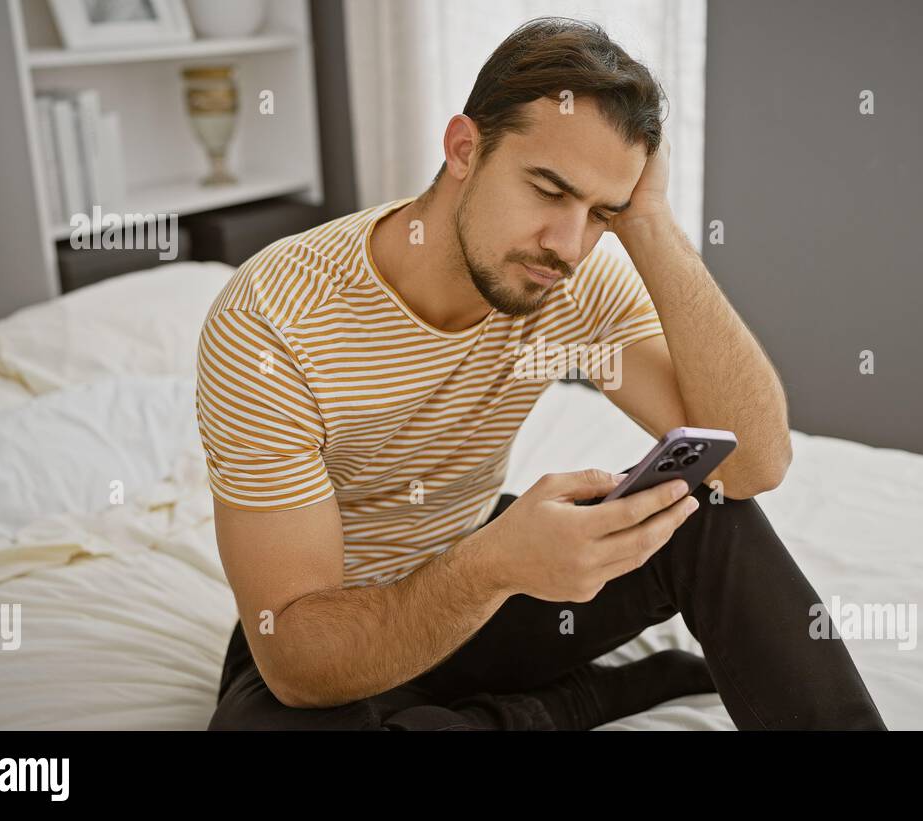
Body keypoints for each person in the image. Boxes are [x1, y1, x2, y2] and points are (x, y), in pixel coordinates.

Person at [195, 16, 886, 731]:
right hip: (340, 628)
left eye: (600, 214)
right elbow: (297, 661)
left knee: (707, 507)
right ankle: (572, 702)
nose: (568, 245)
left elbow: (754, 462)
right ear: (464, 149)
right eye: (549, 190)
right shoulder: (274, 321)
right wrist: (492, 566)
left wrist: (649, 223)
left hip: (490, 591)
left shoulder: (567, 279)